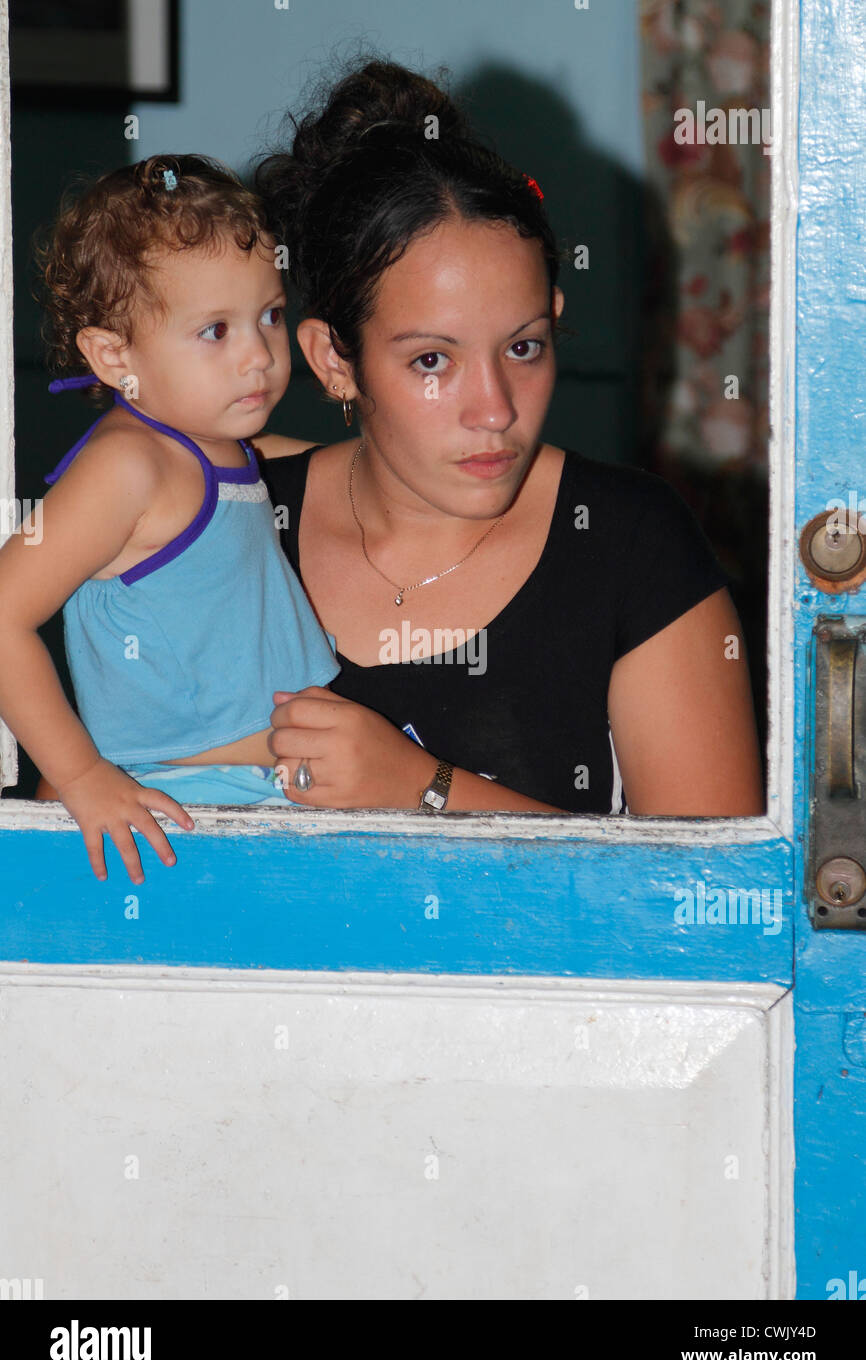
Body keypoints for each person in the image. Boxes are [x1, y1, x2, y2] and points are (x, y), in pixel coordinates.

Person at [246, 58, 764, 817]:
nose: (494, 409)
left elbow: (704, 905)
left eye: (523, 347)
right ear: (332, 359)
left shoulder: (631, 543)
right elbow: (79, 825)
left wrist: (424, 789)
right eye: (432, 360)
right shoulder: (232, 520)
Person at [0, 154, 340, 885]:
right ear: (114, 355)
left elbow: (314, 472)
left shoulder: (220, 447)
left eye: (271, 316)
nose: (259, 356)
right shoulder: (127, 468)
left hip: (271, 793)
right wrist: (82, 774)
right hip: (175, 807)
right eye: (215, 331)